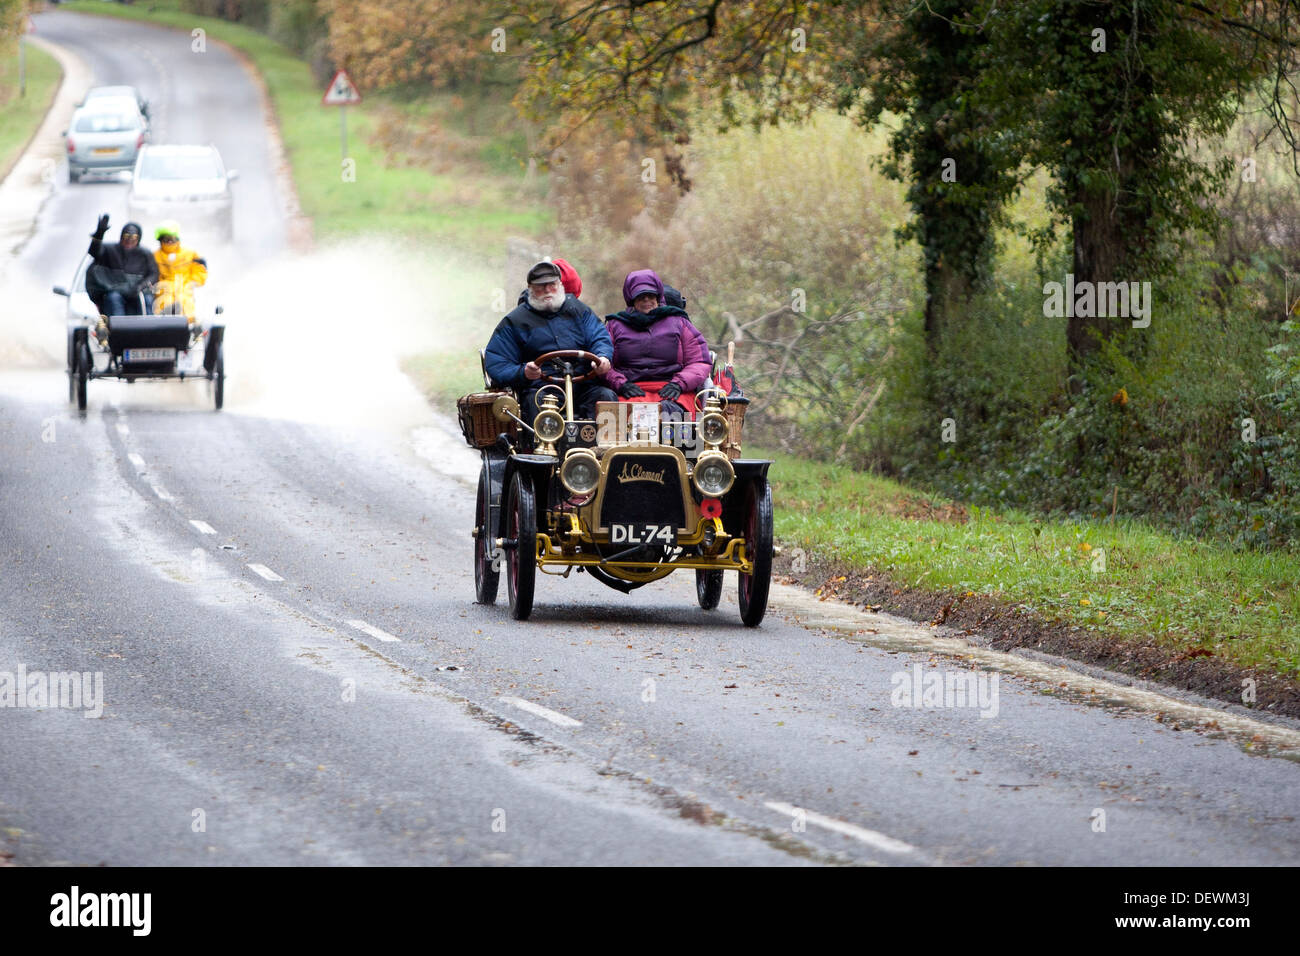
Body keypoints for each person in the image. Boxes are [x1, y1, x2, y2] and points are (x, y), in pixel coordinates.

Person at [485, 260, 617, 425]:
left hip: (583, 383)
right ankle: (542, 449)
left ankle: (605, 448)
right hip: (542, 388)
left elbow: (599, 336)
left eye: (552, 285)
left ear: (560, 284)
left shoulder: (579, 310)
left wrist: (602, 357)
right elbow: (497, 362)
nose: (547, 290)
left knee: (606, 398)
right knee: (535, 404)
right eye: (540, 287)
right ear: (530, 288)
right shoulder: (515, 321)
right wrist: (523, 372)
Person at [604, 269, 712, 416]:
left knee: (670, 412)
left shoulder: (679, 322)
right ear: (631, 299)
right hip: (630, 392)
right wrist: (621, 384)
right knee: (622, 416)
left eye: (650, 296)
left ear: (658, 296)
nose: (646, 300)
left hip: (673, 392)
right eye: (641, 297)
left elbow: (699, 361)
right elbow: (602, 362)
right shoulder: (615, 326)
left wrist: (679, 384)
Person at [87, 214, 157, 316]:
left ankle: (148, 330)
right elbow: (94, 252)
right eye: (126, 236)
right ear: (121, 236)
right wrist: (99, 234)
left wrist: (141, 286)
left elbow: (154, 273)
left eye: (133, 237)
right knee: (113, 298)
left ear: (139, 238)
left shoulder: (145, 254)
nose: (129, 240)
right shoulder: (110, 250)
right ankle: (118, 329)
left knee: (147, 300)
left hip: (137, 292)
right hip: (116, 292)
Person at [152, 220, 207, 322]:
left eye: (172, 238)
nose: (169, 241)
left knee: (186, 305)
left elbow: (199, 270)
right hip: (164, 290)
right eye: (166, 239)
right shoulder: (155, 256)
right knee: (165, 304)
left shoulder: (189, 254)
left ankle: (191, 327)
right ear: (160, 240)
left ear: (177, 239)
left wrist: (194, 282)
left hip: (184, 288)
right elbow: (151, 274)